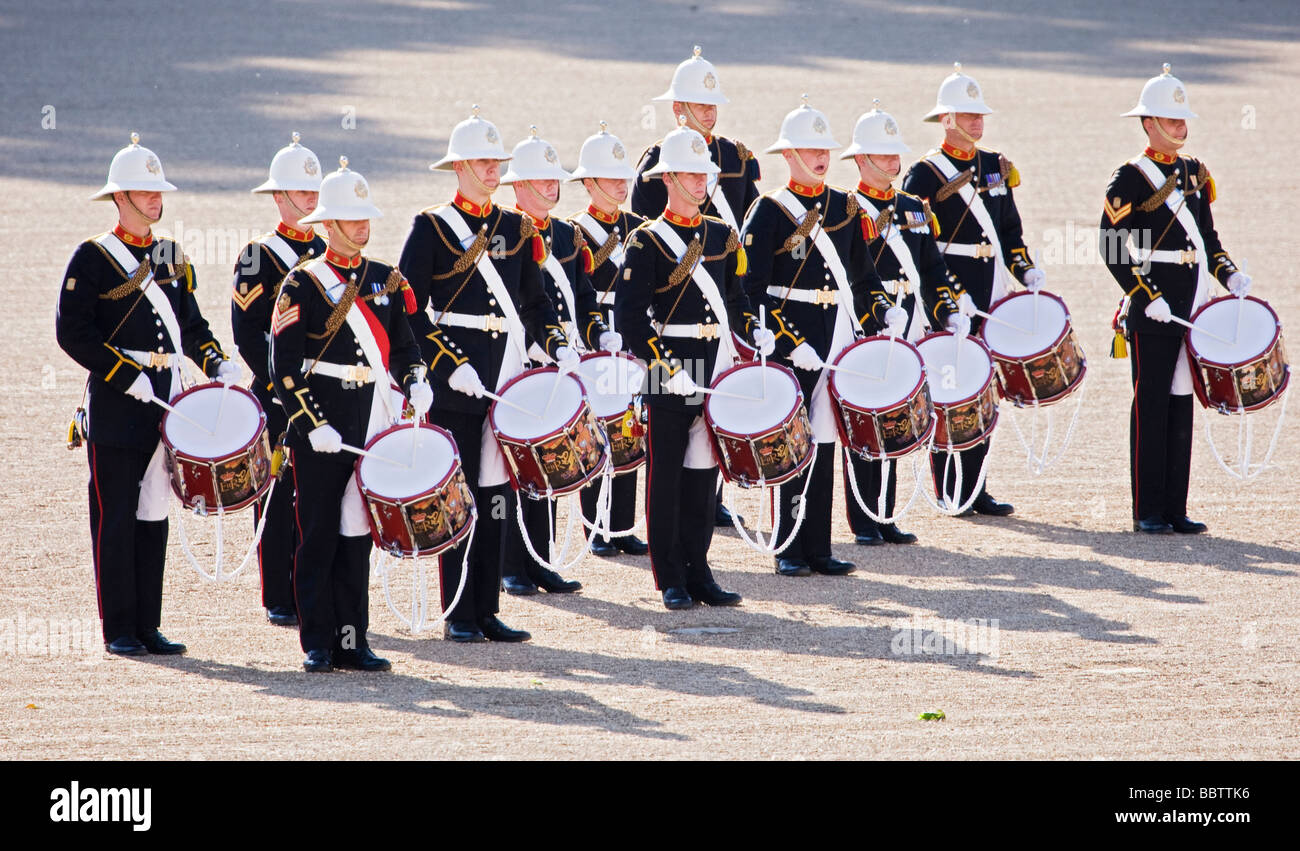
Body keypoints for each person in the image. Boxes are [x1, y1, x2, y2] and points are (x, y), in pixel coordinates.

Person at [56, 133, 241, 657]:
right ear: (120, 197)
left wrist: (215, 360)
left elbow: (191, 325)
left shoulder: (171, 257)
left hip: (165, 401)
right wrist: (121, 373)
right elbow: (74, 332)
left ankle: (148, 623)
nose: (156, 199)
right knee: (114, 515)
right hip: (118, 404)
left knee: (153, 511)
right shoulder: (92, 258)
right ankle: (118, 627)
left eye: (158, 190)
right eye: (145, 191)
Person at [399, 107, 574, 642]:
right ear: (458, 167)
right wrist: (446, 366)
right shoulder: (430, 228)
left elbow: (535, 302)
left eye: (497, 160)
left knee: (498, 494)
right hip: (459, 384)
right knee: (463, 496)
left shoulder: (516, 228)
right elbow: (408, 310)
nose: (494, 169)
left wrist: (558, 344)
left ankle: (487, 607)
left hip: (507, 377)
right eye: (482, 161)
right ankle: (458, 611)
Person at [269, 156, 433, 672]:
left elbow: (405, 346)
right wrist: (310, 422)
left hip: (370, 421)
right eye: (353, 218)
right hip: (322, 424)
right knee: (316, 534)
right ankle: (318, 641)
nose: (363, 226)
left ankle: (352, 639)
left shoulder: (385, 278)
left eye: (366, 218)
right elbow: (284, 366)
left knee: (357, 534)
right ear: (329, 226)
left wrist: (416, 379)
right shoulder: (303, 282)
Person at [617, 118, 775, 610]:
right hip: (670, 364)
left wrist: (754, 330)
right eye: (690, 174)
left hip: (715, 362)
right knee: (666, 474)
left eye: (705, 174)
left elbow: (735, 299)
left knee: (705, 472)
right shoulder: (645, 241)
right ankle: (670, 576)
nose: (701, 182)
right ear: (667, 179)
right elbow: (628, 319)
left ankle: (700, 568)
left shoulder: (722, 235)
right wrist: (664, 367)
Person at [739, 97, 891, 578]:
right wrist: (784, 342)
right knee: (793, 442)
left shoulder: (846, 206)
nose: (821, 156)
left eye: (824, 147)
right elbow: (752, 291)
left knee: (825, 440)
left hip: (837, 335)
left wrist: (881, 311)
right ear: (789, 155)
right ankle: (788, 544)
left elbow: (863, 277)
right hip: (794, 340)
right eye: (809, 147)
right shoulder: (768, 212)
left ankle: (819, 546)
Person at [1101, 64, 1247, 534]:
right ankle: (1147, 508)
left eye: (1183, 121)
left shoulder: (1194, 173)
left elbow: (1207, 238)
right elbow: (1111, 244)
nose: (1180, 128)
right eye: (1170, 120)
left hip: (1191, 306)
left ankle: (1175, 506)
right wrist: (1144, 296)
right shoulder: (1129, 178)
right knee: (1151, 403)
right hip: (1154, 308)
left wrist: (1229, 274)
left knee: (1183, 400)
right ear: (1148, 124)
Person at [902, 63, 1043, 517]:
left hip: (991, 293)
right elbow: (921, 247)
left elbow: (1009, 230)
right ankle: (950, 486)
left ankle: (977, 483)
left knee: (984, 390)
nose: (977, 122)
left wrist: (1025, 270)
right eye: (966, 115)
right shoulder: (923, 176)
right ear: (946, 120)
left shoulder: (995, 167)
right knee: (951, 388)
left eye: (979, 114)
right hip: (949, 295)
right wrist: (952, 295)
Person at [633, 45, 761, 529]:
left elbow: (744, 227)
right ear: (676, 110)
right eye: (698, 105)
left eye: (712, 106)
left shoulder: (737, 157)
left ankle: (710, 502)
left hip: (723, 300)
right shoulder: (656, 162)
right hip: (675, 310)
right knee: (668, 444)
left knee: (715, 424)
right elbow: (652, 238)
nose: (708, 113)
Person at [840, 102, 972, 546]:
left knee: (895, 414)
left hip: (909, 319)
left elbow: (931, 269)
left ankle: (885, 513)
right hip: (870, 322)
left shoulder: (913, 206)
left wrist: (947, 310)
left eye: (896, 153)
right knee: (867, 416)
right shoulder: (846, 209)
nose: (894, 161)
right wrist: (874, 317)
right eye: (883, 154)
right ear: (861, 160)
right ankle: (863, 518)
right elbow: (852, 276)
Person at [499, 126, 618, 595]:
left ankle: (539, 560)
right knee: (514, 467)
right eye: (541, 181)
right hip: (520, 361)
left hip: (561, 361)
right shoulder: (504, 235)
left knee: (549, 463)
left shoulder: (568, 235)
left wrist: (598, 334)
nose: (552, 188)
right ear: (518, 186)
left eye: (554, 181)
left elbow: (582, 300)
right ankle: (512, 563)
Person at [233, 132, 325, 627]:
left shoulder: (333, 251)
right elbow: (248, 333)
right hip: (278, 393)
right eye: (301, 192)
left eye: (314, 191)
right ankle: (278, 594)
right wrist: (282, 384)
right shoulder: (258, 255)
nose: (311, 199)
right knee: (278, 490)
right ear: (278, 197)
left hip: (326, 392)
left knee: (318, 494)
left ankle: (313, 588)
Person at [569, 122, 650, 559]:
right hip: (595, 334)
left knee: (630, 425)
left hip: (632, 333)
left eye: (624, 178)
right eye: (611, 178)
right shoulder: (574, 231)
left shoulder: (641, 227)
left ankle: (621, 525)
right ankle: (595, 526)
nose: (621, 186)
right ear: (588, 182)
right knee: (599, 425)